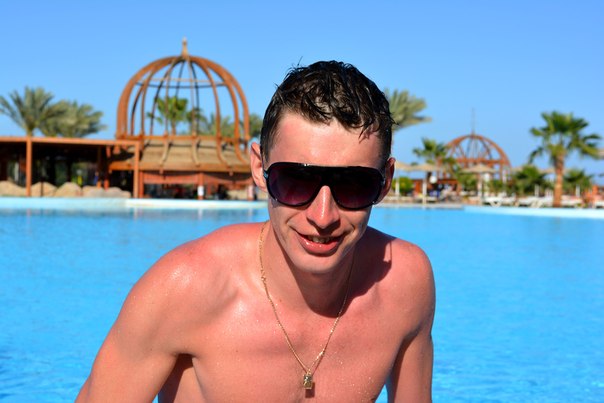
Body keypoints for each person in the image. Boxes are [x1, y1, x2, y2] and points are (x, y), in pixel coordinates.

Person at [76, 60, 435, 402]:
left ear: (385, 181)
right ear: (258, 167)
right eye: (295, 181)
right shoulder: (183, 290)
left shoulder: (404, 284)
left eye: (353, 185)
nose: (322, 216)